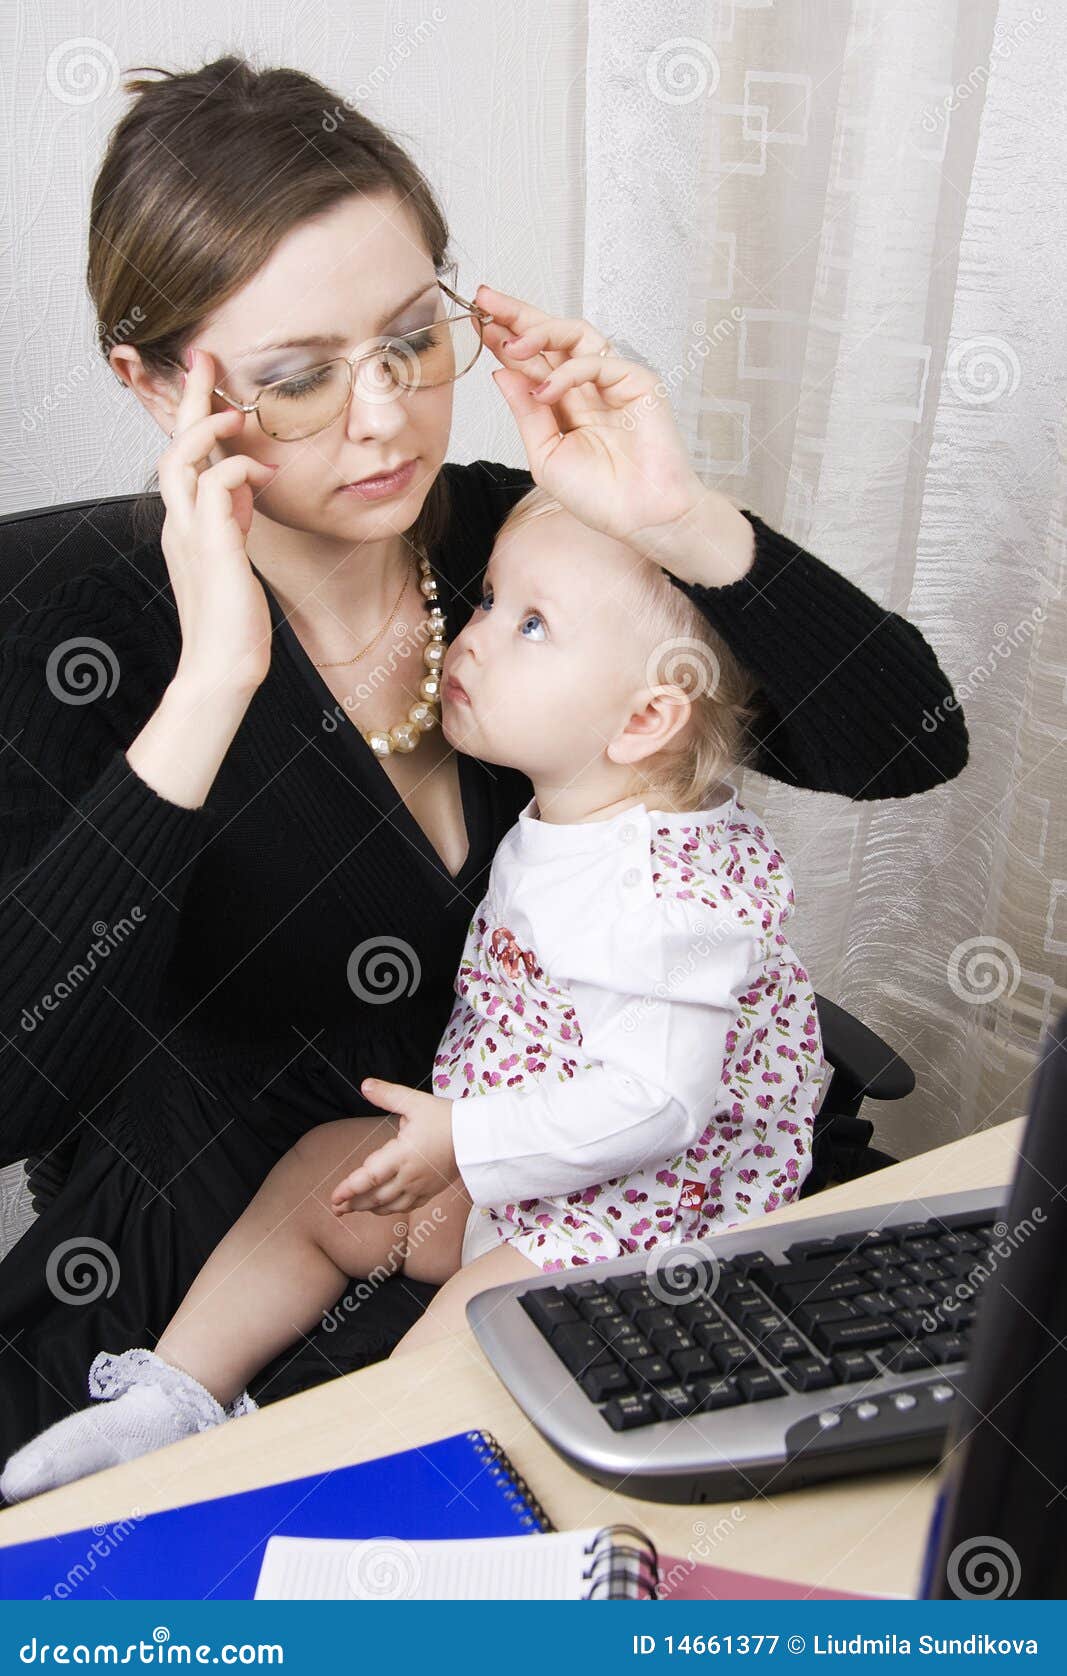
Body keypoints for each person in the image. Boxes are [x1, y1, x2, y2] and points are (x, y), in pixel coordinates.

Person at [0, 58, 967, 1473]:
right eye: (297, 379)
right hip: (258, 1252)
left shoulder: (523, 555)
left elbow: (911, 744)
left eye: (409, 339)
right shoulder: (63, 625)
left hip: (616, 1206)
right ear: (154, 386)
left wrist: (681, 520)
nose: (383, 416)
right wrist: (210, 688)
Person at [1, 484, 826, 1500]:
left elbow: (659, 1104)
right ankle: (169, 1398)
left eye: (531, 626)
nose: (471, 638)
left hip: (642, 1222)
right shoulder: (578, 804)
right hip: (534, 1167)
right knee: (322, 1176)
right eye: (489, 602)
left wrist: (464, 1138)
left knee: (457, 1343)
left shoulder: (661, 895)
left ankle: (345, 1486)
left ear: (644, 718)